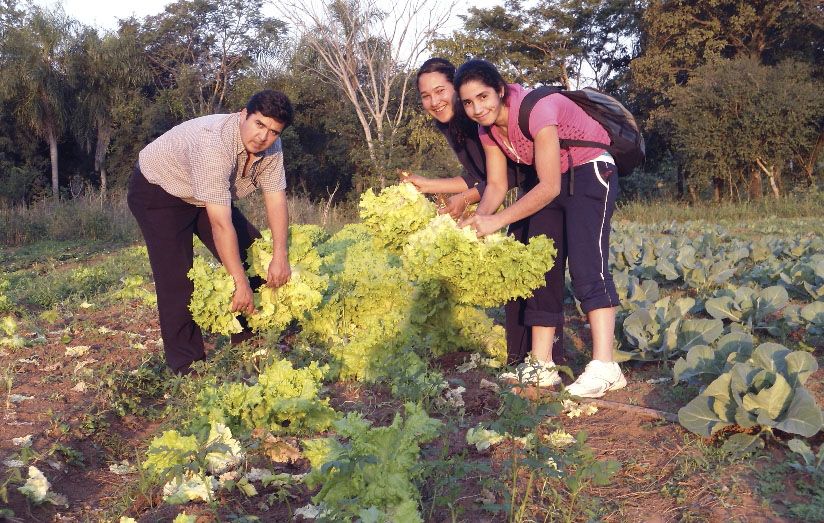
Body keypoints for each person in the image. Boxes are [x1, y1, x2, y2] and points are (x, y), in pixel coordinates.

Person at [453, 59, 626, 398]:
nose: (477, 108)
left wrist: (497, 220)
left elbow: (546, 186)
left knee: (586, 263)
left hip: (590, 172)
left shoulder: (537, 108)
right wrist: (477, 224)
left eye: (483, 97)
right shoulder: (486, 129)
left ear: (500, 91)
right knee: (540, 266)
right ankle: (542, 364)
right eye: (469, 102)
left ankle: (606, 366)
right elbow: (497, 187)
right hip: (555, 179)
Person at [409, 57, 565, 367]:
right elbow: (484, 177)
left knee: (538, 275)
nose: (434, 101)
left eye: (440, 91)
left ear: (457, 88)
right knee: (517, 277)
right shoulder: (454, 124)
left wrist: (467, 202)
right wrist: (459, 199)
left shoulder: (474, 120)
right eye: (426, 96)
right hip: (521, 192)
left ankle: (545, 361)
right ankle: (522, 360)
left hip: (541, 188)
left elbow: (502, 176)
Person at [127, 90, 294, 375]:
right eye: (258, 124)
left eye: (273, 132)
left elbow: (276, 199)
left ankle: (248, 336)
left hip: (202, 194)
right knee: (178, 279)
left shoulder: (271, 150)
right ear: (244, 115)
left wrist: (280, 255)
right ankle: (186, 365)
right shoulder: (213, 144)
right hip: (159, 192)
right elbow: (220, 225)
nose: (263, 137)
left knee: (253, 251)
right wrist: (238, 280)